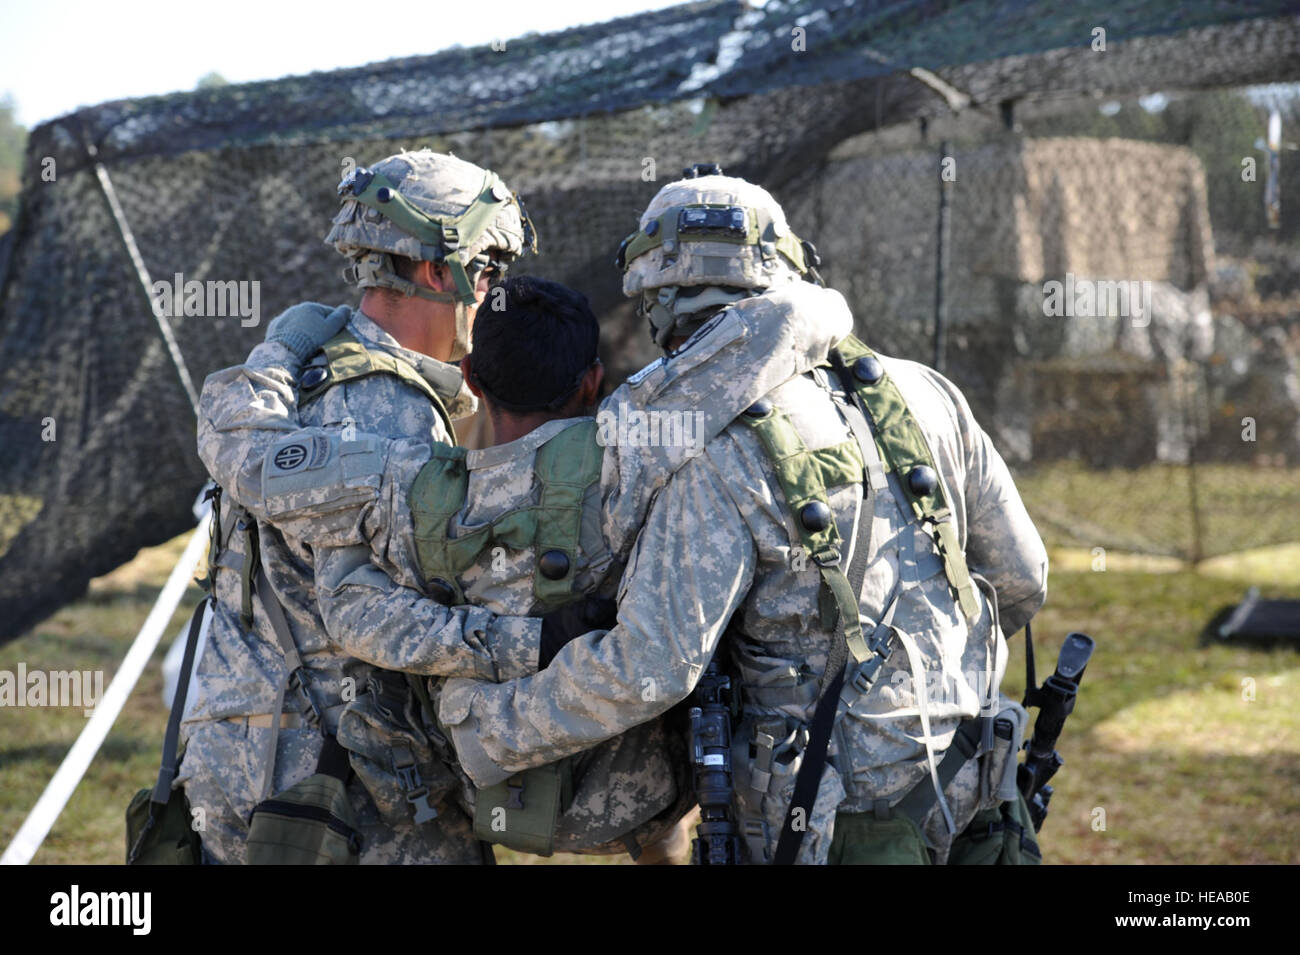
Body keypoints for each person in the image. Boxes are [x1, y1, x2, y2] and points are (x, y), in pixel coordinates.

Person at [435, 171, 1051, 864]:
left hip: (819, 827)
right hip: (979, 798)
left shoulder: (713, 448)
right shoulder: (927, 393)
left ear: (659, 303)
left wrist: (488, 727)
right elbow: (1022, 579)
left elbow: (650, 666)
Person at [196, 268, 850, 861]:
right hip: (640, 791)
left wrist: (284, 346)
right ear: (593, 381)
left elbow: (336, 586)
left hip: (486, 793)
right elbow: (789, 323)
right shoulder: (635, 456)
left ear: (473, 380)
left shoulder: (406, 487)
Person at [179, 148, 549, 864]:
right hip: (341, 792)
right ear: (440, 272)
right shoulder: (391, 405)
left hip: (237, 761)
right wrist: (542, 639)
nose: (496, 293)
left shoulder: (299, 371)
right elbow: (372, 619)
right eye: (490, 270)